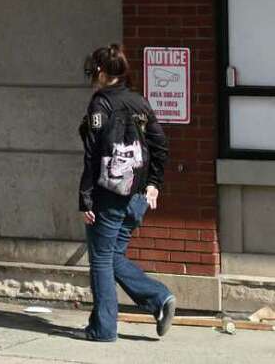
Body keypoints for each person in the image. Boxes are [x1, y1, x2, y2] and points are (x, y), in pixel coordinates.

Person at [76, 42, 174, 341]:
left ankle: (103, 328)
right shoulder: (139, 102)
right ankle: (159, 299)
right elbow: (160, 145)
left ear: (101, 72)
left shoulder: (100, 104)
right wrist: (154, 184)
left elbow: (93, 156)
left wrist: (85, 199)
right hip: (139, 195)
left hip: (109, 195)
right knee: (113, 255)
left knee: (101, 259)